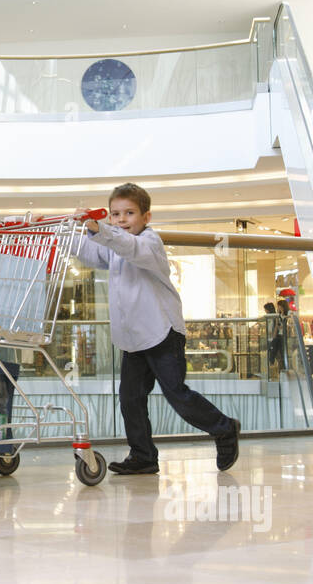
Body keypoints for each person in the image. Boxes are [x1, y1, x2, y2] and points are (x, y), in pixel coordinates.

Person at [74, 184, 240, 474]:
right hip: (133, 340)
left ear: (146, 217)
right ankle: (143, 456)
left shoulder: (149, 242)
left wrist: (98, 227)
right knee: (130, 399)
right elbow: (90, 253)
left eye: (129, 213)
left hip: (162, 332)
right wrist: (68, 230)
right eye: (115, 214)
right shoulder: (113, 246)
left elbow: (129, 248)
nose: (122, 219)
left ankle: (224, 428)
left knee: (176, 393)